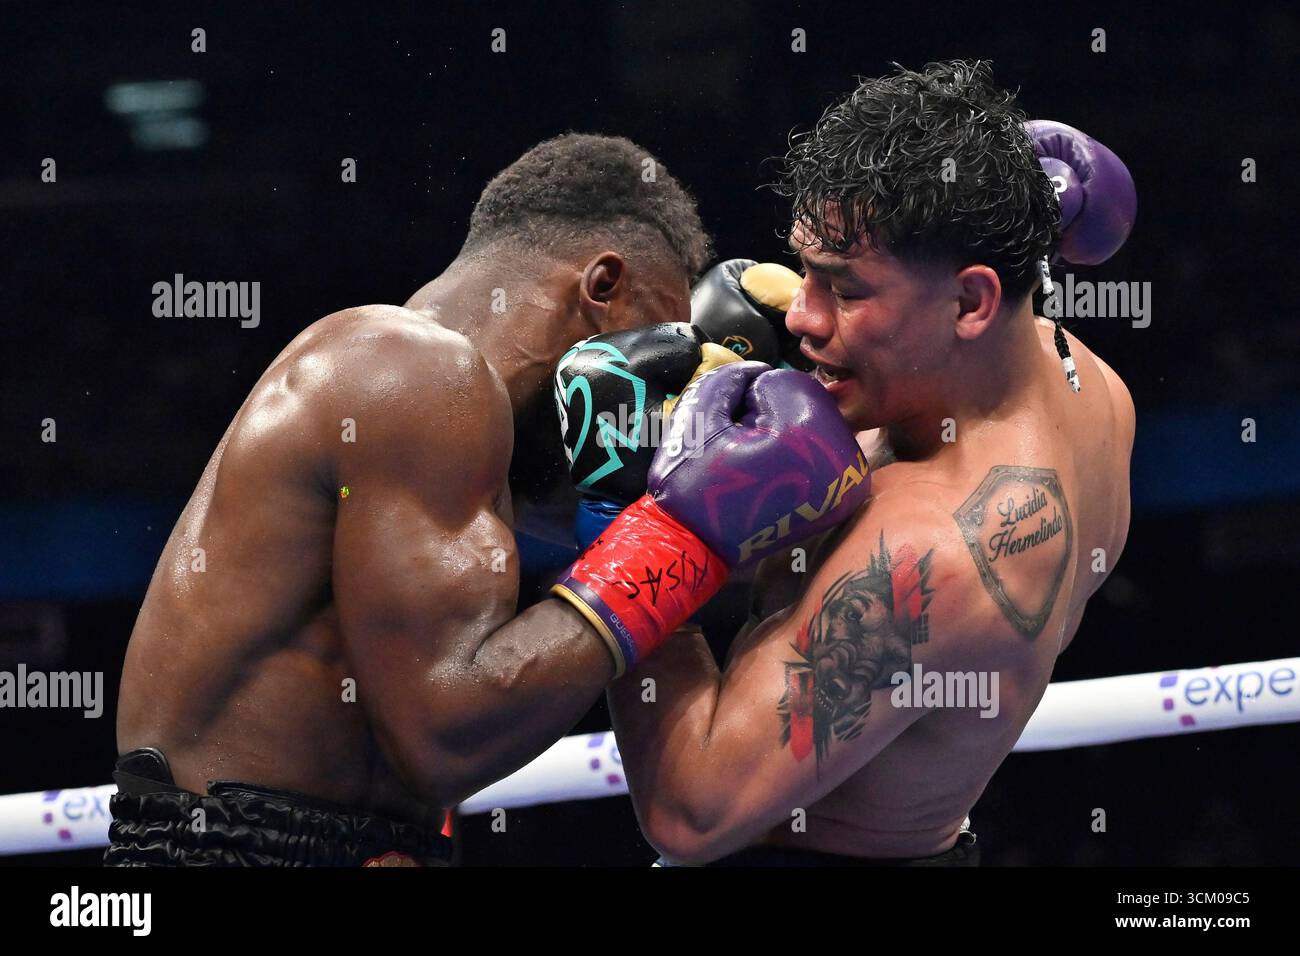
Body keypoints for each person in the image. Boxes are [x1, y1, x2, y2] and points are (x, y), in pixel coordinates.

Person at [108, 131, 870, 866]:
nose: (662, 389)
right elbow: (448, 734)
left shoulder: (461, 441)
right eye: (661, 336)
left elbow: (612, 575)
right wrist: (679, 533)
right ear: (603, 287)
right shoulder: (413, 369)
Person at [602, 60, 1138, 866]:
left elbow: (692, 813)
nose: (801, 314)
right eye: (805, 271)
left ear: (970, 302)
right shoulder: (1090, 382)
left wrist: (629, 519)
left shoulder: (939, 550)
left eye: (844, 290)